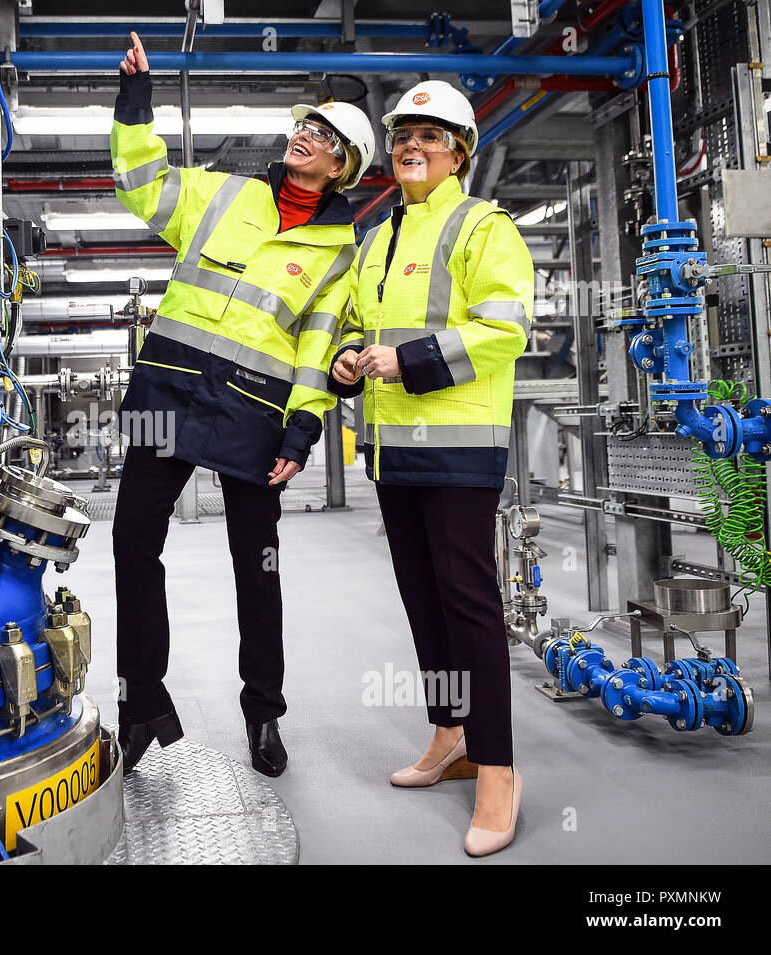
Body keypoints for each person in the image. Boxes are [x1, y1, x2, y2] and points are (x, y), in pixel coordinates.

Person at [111, 32, 374, 777]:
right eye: (302, 125)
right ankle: (142, 706)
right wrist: (136, 99)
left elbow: (323, 344)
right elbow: (140, 183)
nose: (303, 135)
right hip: (169, 390)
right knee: (133, 541)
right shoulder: (224, 194)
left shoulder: (340, 253)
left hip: (254, 416)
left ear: (341, 165)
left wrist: (303, 426)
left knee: (256, 566)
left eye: (320, 134)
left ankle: (264, 713)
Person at [329, 80, 534, 855]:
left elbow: (507, 328)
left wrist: (404, 358)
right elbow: (355, 319)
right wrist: (351, 355)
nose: (410, 145)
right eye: (402, 134)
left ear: (459, 151)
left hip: (458, 446)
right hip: (391, 448)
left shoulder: (485, 226)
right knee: (424, 601)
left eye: (429, 134)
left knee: (470, 604)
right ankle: (450, 735)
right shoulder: (377, 235)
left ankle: (498, 767)